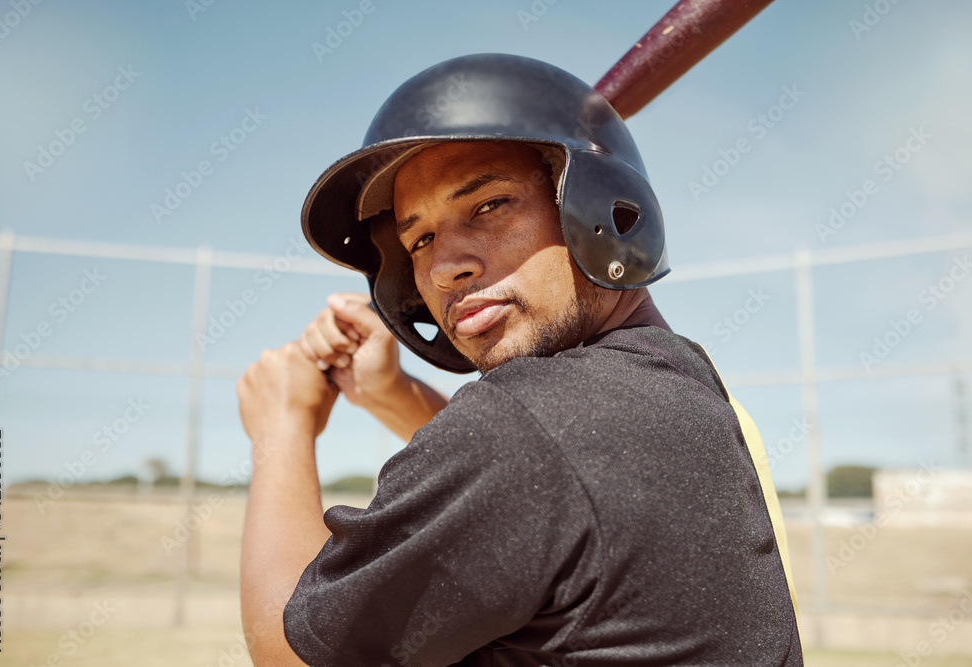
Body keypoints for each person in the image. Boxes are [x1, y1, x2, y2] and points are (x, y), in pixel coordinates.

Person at [238, 54, 802, 666]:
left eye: (489, 206)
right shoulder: (681, 383)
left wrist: (283, 426)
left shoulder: (531, 427)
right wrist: (390, 394)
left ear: (599, 206)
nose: (445, 265)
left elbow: (288, 656)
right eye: (419, 239)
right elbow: (542, 483)